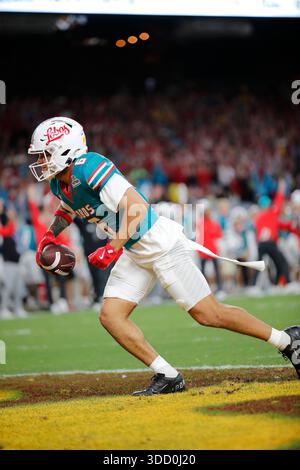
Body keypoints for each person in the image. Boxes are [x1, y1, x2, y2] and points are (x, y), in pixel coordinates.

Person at [28, 116, 300, 395]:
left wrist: (112, 247)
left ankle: (287, 340)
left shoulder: (89, 167)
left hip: (158, 243)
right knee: (111, 315)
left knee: (209, 314)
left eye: (45, 154)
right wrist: (49, 235)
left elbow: (136, 207)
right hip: (134, 250)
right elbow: (66, 209)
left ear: (65, 150)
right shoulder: (59, 183)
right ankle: (167, 374)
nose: (41, 162)